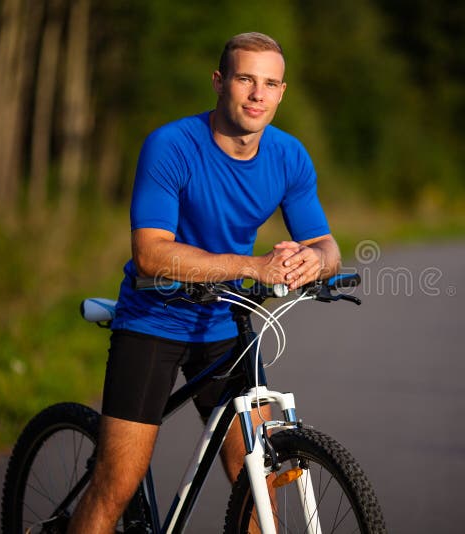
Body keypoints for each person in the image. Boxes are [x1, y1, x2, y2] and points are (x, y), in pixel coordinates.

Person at [68, 32, 341, 532]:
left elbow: (326, 244)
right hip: (155, 321)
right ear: (219, 82)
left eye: (270, 83)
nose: (258, 94)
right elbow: (150, 255)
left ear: (283, 92)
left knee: (258, 481)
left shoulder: (289, 156)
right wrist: (251, 266)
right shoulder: (171, 145)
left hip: (227, 325)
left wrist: (312, 262)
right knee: (116, 485)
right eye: (245, 79)